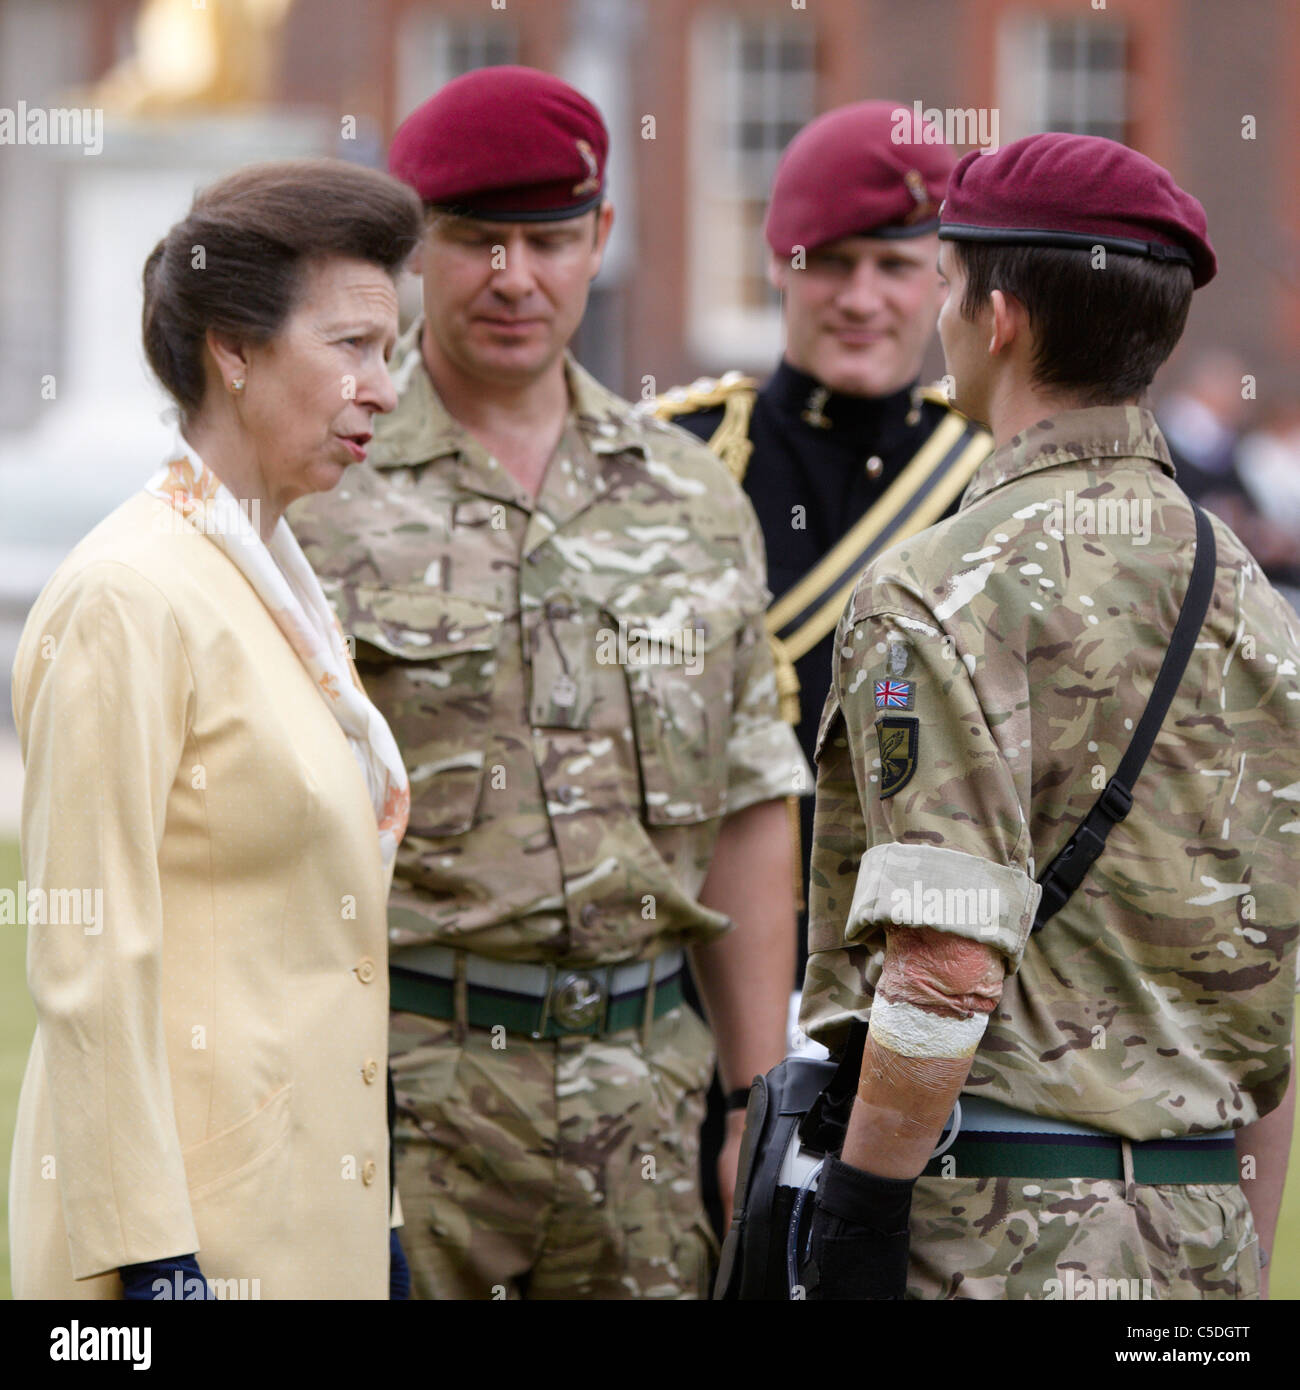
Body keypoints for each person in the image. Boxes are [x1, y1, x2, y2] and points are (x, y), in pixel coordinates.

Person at [289, 66, 809, 1300]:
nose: (514, 275)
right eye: (476, 241)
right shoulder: (322, 488)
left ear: (602, 241)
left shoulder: (692, 498)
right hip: (407, 1099)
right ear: (418, 249)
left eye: (550, 238)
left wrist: (753, 1103)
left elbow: (747, 801)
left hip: (648, 1105)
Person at [797, 132, 1300, 1300]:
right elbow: (1274, 966)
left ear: (1001, 314)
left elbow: (942, 965)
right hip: (1202, 1235)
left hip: (997, 1230)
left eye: (943, 282)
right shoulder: (1251, 594)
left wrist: (860, 1214)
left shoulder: (938, 585)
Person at [8, 158, 420, 1299]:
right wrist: (155, 1262)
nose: (382, 388)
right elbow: (88, 955)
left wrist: (369, 1218)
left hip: (305, 1232)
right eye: (351, 347)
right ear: (232, 351)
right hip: (182, 1250)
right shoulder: (127, 594)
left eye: (387, 351)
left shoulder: (269, 575)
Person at [653, 101, 991, 1233]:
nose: (860, 298)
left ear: (944, 281)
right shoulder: (678, 459)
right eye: (829, 263)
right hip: (714, 998)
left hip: (936, 996)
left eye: (896, 266)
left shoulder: (993, 478)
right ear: (778, 265)